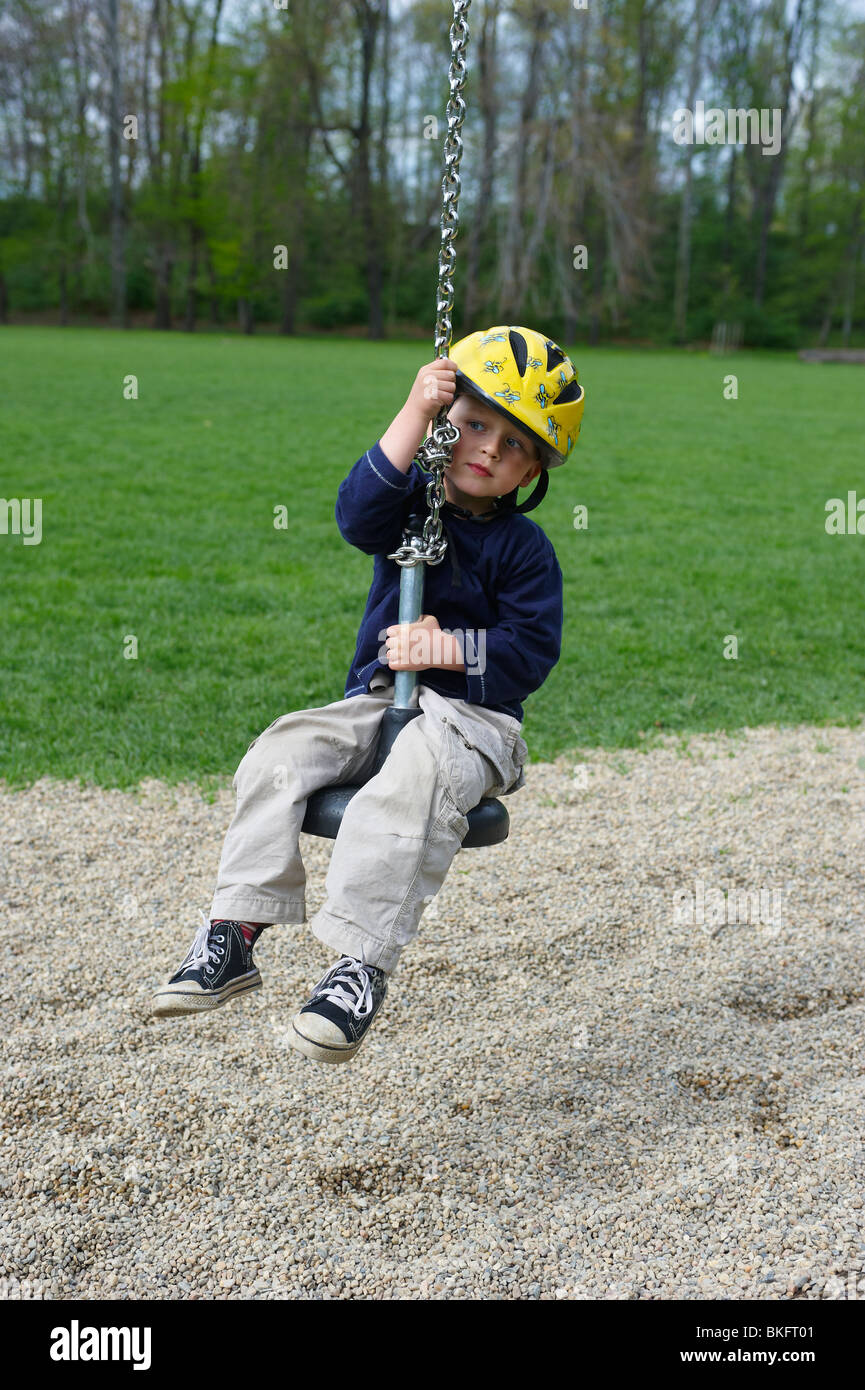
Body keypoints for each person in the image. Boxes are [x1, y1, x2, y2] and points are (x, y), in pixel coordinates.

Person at [152, 325, 585, 1064]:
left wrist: (447, 648)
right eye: (475, 424)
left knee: (408, 784)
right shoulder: (411, 504)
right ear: (446, 424)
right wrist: (414, 410)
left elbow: (530, 652)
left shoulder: (523, 549)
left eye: (514, 445)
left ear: (533, 469)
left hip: (475, 722)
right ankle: (235, 931)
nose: (487, 450)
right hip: (381, 700)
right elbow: (356, 512)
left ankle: (358, 966)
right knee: (278, 753)